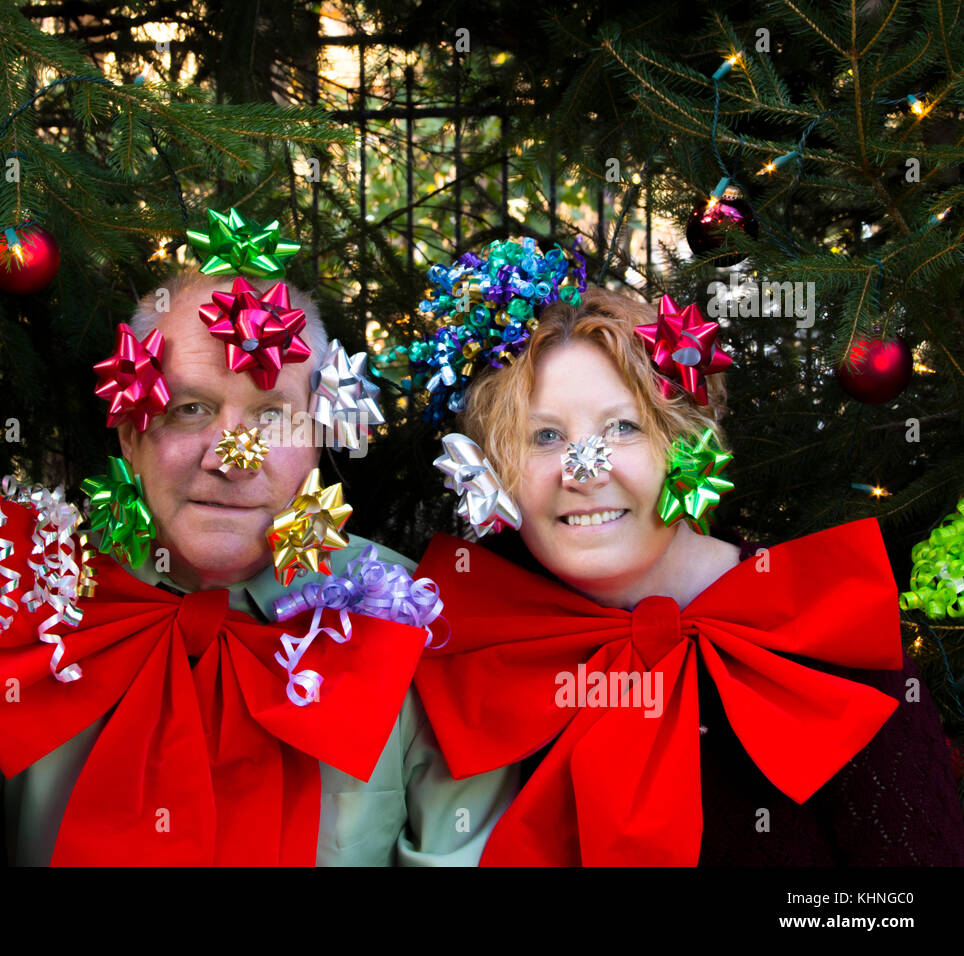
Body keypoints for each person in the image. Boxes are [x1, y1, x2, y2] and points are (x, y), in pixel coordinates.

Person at [0, 269, 516, 866]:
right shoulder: (29, 586)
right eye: (191, 410)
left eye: (271, 417)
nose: (230, 459)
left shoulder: (401, 612)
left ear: (319, 437)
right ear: (131, 432)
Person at [413, 286, 964, 865]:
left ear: (687, 441)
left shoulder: (822, 635)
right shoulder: (469, 641)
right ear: (495, 470)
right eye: (544, 436)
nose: (583, 471)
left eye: (623, 427)